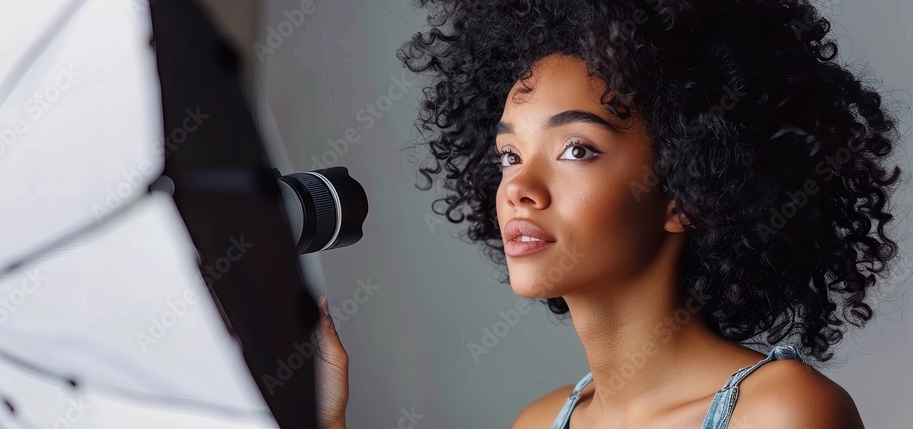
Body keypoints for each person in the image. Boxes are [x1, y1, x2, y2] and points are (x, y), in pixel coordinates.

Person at [315, 0, 907, 427]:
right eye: (508, 154)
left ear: (684, 191)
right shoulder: (539, 423)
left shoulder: (782, 411)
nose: (520, 186)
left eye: (577, 149)